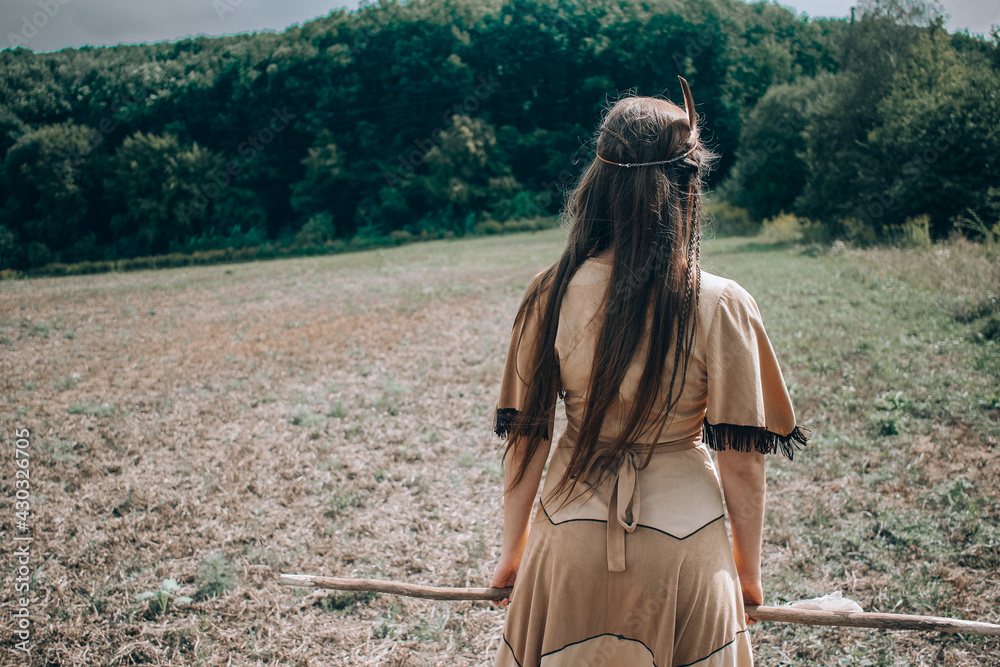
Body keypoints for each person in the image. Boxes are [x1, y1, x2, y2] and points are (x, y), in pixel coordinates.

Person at [488, 77, 809, 667]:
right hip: (686, 551)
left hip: (567, 540)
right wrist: (748, 573)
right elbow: (742, 460)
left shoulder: (548, 294)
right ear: (687, 188)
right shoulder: (722, 303)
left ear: (599, 184)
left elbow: (526, 440)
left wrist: (513, 556)